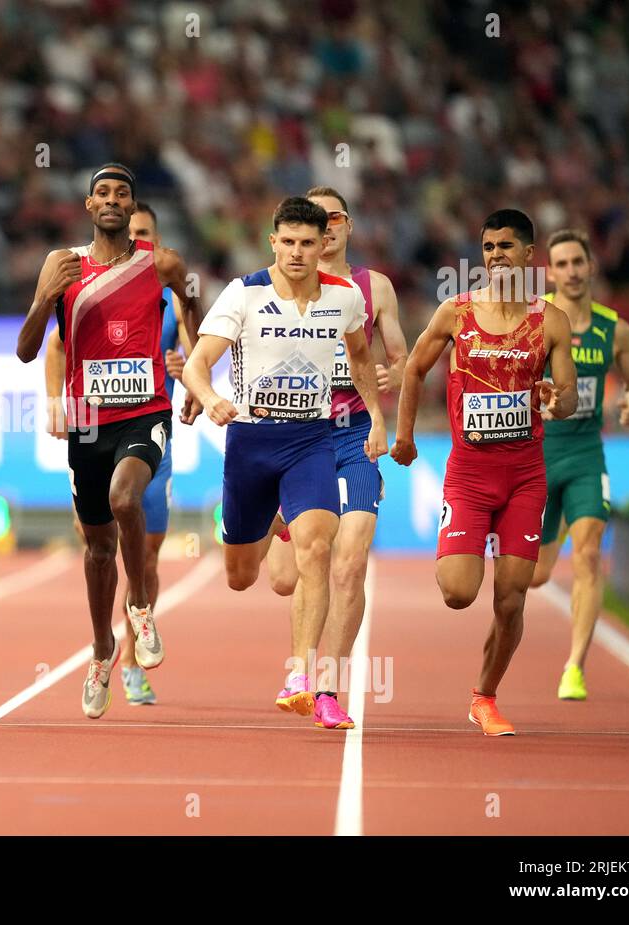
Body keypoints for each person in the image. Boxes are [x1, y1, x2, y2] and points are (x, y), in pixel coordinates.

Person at [181, 196, 387, 725]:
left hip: (311, 441)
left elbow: (362, 358)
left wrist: (379, 420)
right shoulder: (243, 294)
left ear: (323, 246)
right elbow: (197, 364)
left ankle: (300, 674)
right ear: (273, 241)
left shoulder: (344, 297)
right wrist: (209, 398)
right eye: (287, 242)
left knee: (318, 550)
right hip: (250, 443)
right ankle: (270, 520)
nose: (297, 252)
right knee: (241, 575)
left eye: (307, 243)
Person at [17, 164, 201, 719]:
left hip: (145, 414)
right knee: (97, 549)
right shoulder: (62, 264)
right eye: (104, 193)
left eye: (124, 192)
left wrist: (192, 369)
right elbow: (29, 349)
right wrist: (44, 297)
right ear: (89, 204)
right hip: (87, 423)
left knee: (127, 499)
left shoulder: (162, 264)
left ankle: (140, 606)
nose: (114, 200)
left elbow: (193, 310)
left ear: (133, 205)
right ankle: (101, 651)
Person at [391, 209, 577, 736]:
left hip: (524, 476)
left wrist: (553, 399)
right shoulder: (455, 312)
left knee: (512, 595)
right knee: (457, 593)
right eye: (488, 246)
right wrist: (404, 436)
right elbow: (413, 369)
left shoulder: (551, 321)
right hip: (469, 478)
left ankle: (485, 696)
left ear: (528, 256)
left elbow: (568, 400)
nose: (495, 255)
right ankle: (461, 546)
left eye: (506, 246)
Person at [255, 186, 408, 729]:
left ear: (342, 228)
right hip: (295, 435)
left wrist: (393, 374)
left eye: (334, 218)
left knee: (351, 561)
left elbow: (401, 358)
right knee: (284, 579)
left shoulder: (375, 288)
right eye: (314, 220)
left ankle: (325, 684)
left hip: (354, 437)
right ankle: (278, 522)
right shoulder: (270, 287)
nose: (325, 228)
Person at [529, 229, 629, 700]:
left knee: (590, 553)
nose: (572, 271)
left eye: (578, 262)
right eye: (562, 264)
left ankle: (574, 667)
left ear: (591, 267)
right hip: (538, 455)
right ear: (551, 272)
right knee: (535, 575)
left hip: (584, 455)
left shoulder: (614, 329)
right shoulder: (536, 320)